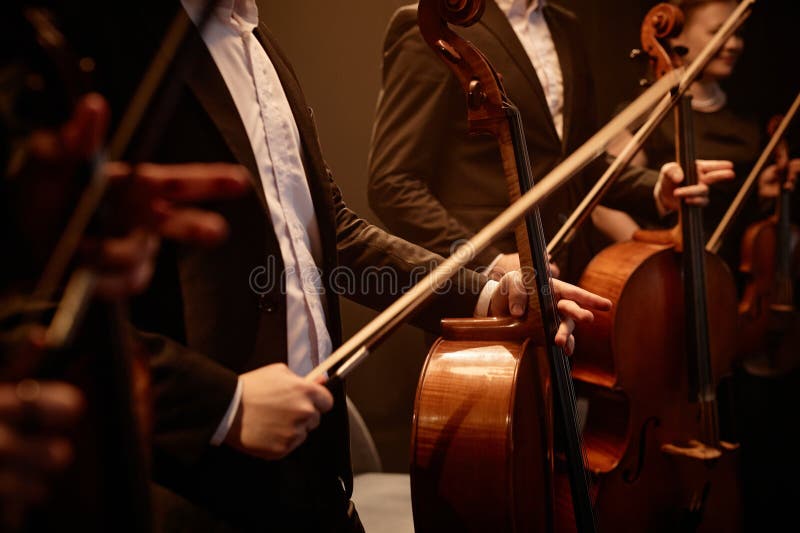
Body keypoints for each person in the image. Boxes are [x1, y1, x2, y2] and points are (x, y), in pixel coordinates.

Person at [48, 1, 613, 531]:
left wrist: (490, 294)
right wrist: (224, 404)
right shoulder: (100, 41)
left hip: (317, 471)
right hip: (193, 488)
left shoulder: (260, 44)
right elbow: (44, 309)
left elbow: (334, 235)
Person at [368, 0, 734, 284]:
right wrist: (487, 261)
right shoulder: (433, 23)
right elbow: (393, 184)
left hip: (572, 268)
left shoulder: (565, 26)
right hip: (484, 287)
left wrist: (657, 187)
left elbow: (577, 161)